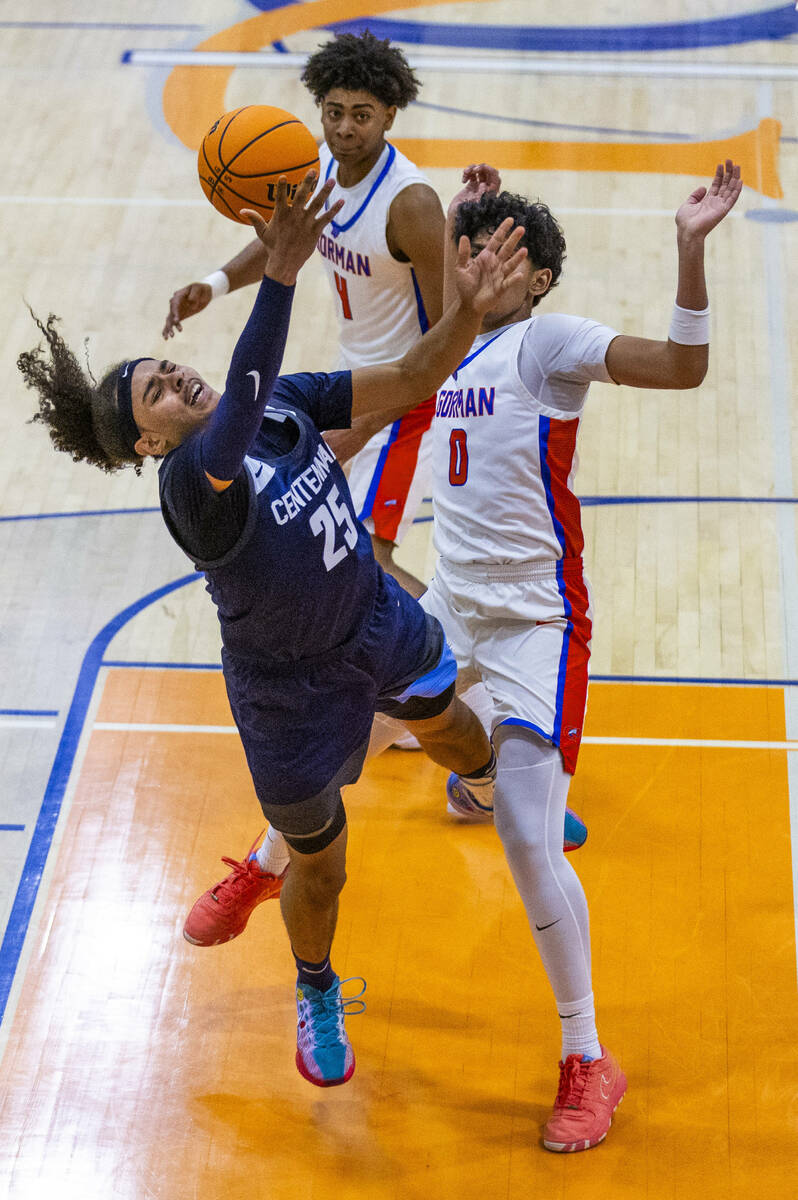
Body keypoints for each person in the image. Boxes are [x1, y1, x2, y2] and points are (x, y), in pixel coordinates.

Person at [205, 159, 743, 1146]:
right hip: (450, 603)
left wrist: (688, 249)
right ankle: (270, 863)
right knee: (344, 738)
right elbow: (366, 418)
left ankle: (587, 1055)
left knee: (530, 843)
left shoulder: (549, 342)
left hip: (536, 620)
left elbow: (682, 366)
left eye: (504, 253)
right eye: (469, 248)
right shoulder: (441, 353)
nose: (482, 263)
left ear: (538, 278)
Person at [18, 171, 530, 1089]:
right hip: (288, 695)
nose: (176, 377)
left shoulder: (286, 401)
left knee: (453, 725)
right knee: (323, 871)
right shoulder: (190, 485)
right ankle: (317, 986)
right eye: (156, 393)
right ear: (149, 444)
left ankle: (487, 790)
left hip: (373, 619)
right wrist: (281, 275)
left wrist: (469, 309)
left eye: (167, 366)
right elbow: (240, 405)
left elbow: (415, 376)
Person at [162, 30, 446, 600]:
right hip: (351, 381)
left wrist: (365, 426)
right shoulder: (317, 165)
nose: (345, 128)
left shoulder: (409, 204)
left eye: (362, 115)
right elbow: (282, 241)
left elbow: (448, 338)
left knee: (367, 552)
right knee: (332, 544)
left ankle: (449, 647)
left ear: (390, 115)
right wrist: (215, 285)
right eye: (334, 112)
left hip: (411, 395)